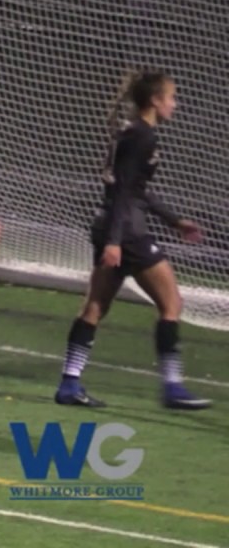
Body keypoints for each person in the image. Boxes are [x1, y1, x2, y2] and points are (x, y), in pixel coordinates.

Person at [54, 71, 210, 410]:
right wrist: (115, 241)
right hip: (128, 233)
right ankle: (172, 387)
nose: (175, 104)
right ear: (154, 100)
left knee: (95, 307)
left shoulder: (130, 131)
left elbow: (135, 191)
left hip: (110, 226)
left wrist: (174, 221)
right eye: (171, 97)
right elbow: (123, 192)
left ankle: (69, 383)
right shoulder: (143, 136)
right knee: (171, 304)